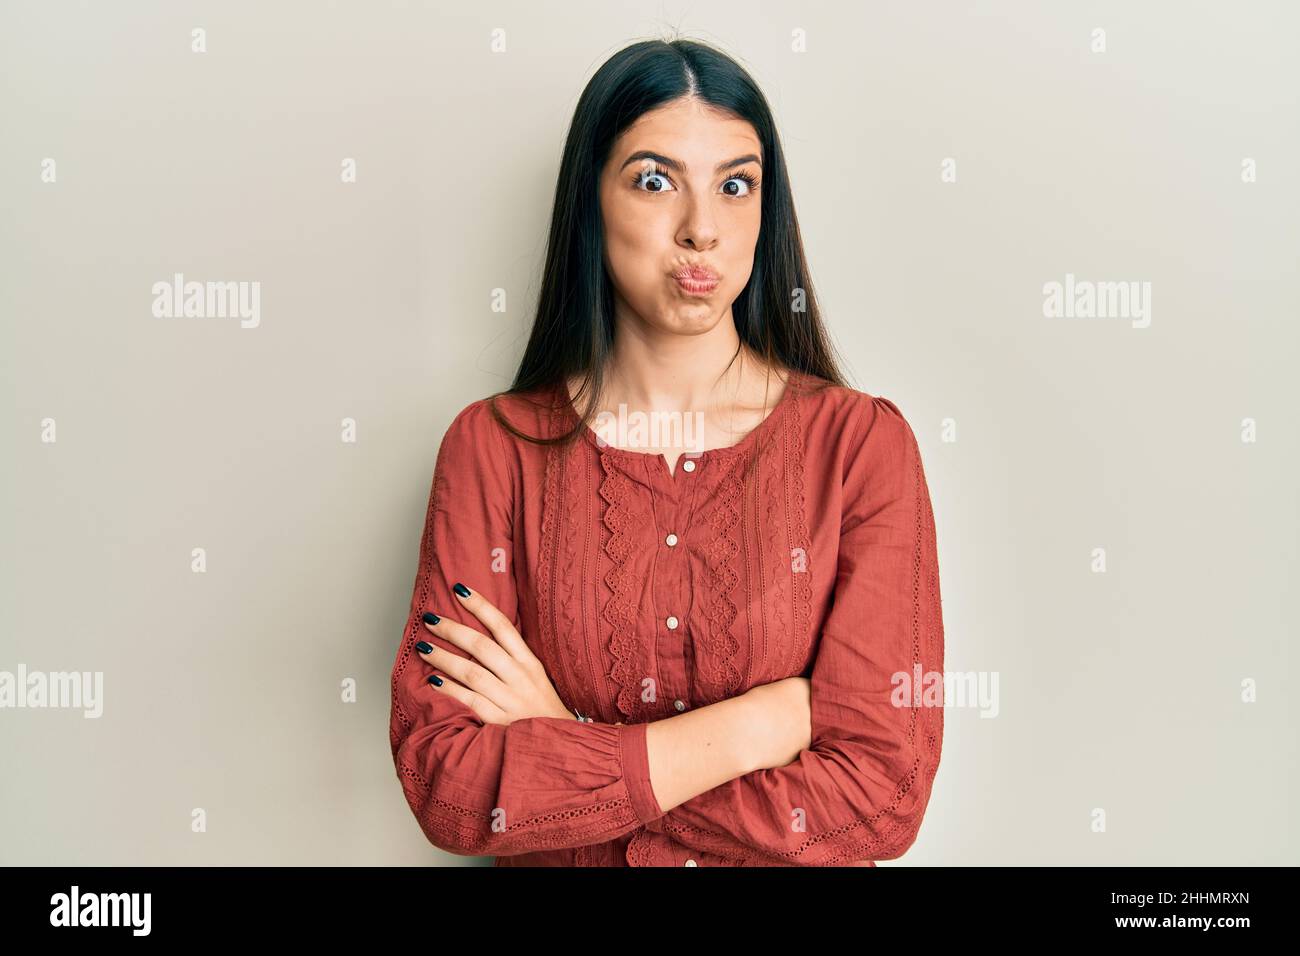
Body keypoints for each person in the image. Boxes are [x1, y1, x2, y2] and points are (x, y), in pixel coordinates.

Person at [388, 37, 944, 866]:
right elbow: (451, 787)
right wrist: (754, 729)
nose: (701, 230)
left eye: (735, 185)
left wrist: (565, 744)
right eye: (655, 181)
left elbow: (877, 804)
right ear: (591, 201)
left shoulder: (860, 447)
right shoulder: (493, 449)